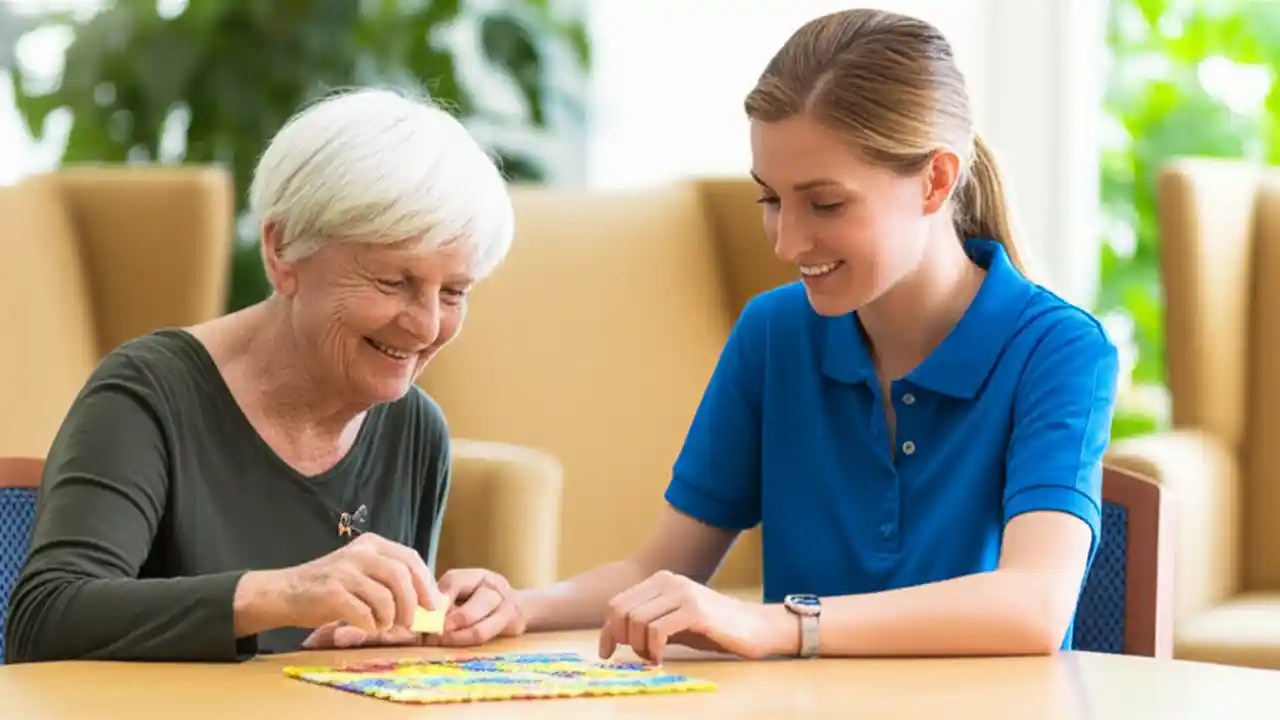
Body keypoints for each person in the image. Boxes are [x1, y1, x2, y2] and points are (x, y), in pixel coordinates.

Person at [429, 8, 1120, 662]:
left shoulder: (1059, 350)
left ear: (935, 181)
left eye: (825, 203)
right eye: (770, 198)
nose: (788, 241)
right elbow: (656, 571)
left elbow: (1034, 605)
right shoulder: (774, 334)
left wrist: (776, 624)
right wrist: (519, 605)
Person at [3, 87, 516, 662]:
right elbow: (45, 618)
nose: (425, 325)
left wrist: (436, 619)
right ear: (282, 251)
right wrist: (282, 593)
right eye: (393, 283)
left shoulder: (414, 429)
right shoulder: (146, 395)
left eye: (453, 293)